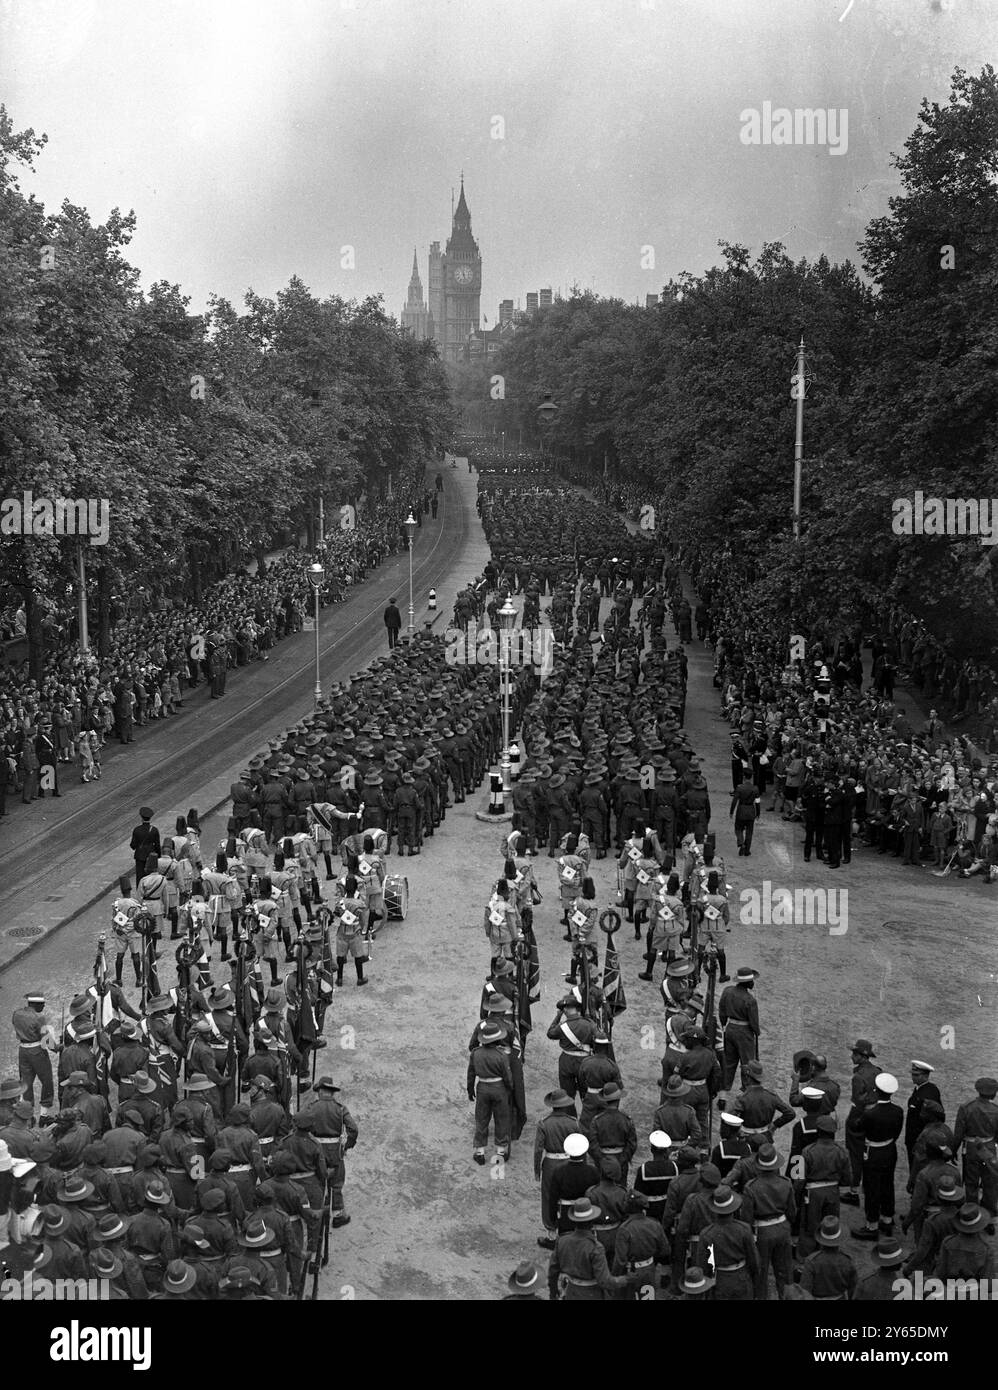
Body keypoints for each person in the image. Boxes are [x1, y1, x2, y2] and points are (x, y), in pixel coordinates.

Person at [547, 1197, 629, 1301]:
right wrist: (626, 1279)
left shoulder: (562, 1241)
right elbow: (605, 1281)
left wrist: (553, 1292)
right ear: (591, 1222)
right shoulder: (596, 1248)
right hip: (592, 1294)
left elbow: (553, 1272)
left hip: (571, 1291)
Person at [467, 1021, 513, 1165]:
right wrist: (509, 1089)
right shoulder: (501, 1055)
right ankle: (500, 1151)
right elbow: (508, 1077)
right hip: (499, 1089)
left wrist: (470, 1089)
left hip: (482, 1088)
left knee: (481, 1119)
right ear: (497, 1039)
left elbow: (471, 1073)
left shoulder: (476, 1053)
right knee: (501, 1119)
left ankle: (480, 1152)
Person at [12, 992, 59, 1116]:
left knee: (26, 1082)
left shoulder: (16, 1014)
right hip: (37, 1052)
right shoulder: (39, 1018)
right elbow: (46, 1041)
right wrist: (58, 1048)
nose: (43, 1007)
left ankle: (28, 1115)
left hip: (22, 1051)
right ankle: (44, 1115)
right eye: (42, 1004)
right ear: (35, 1004)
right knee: (47, 1081)